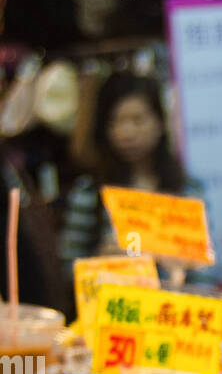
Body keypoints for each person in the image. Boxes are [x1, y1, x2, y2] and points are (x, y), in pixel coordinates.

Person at [59, 72, 189, 270]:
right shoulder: (90, 192)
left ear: (161, 123)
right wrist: (101, 262)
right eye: (114, 122)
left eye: (137, 120)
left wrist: (180, 262)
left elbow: (205, 274)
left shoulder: (187, 189)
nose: (125, 133)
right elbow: (67, 264)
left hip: (176, 300)